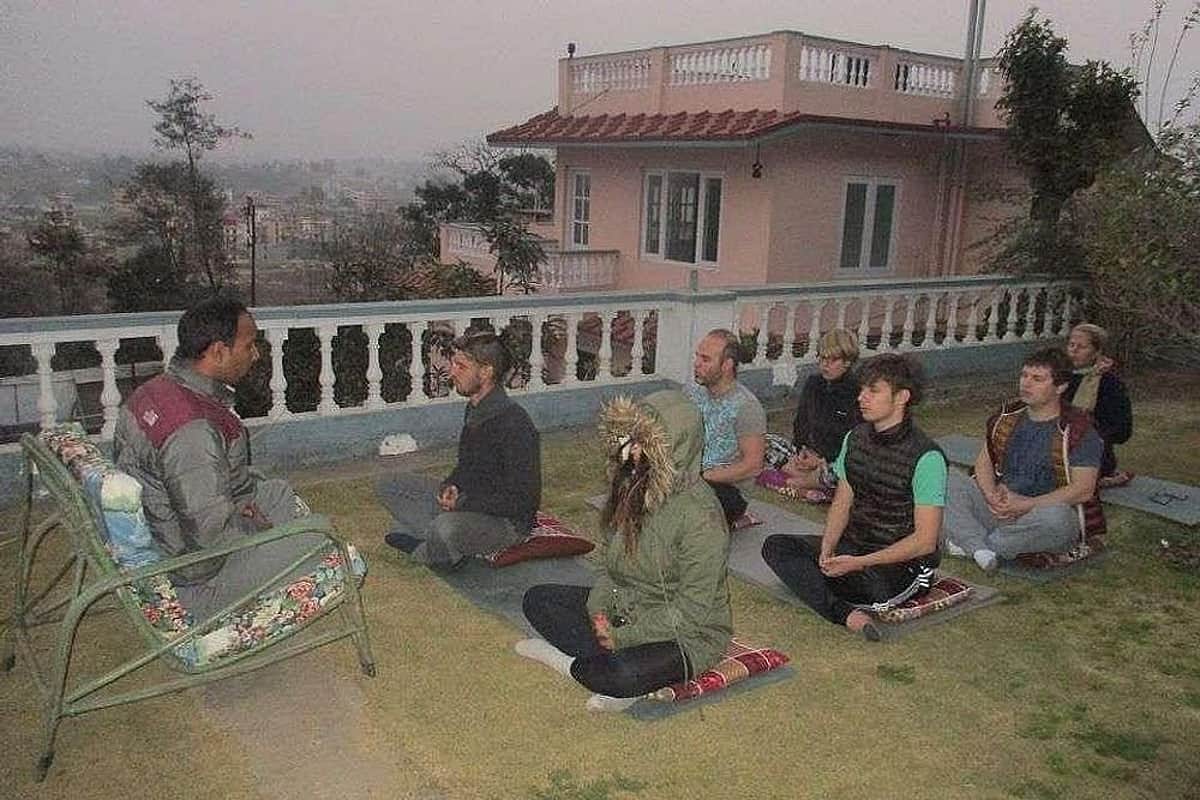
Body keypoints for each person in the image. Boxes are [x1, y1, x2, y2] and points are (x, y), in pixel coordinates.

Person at [516, 390, 733, 711]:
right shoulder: (630, 486)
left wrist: (624, 637)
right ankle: (608, 664)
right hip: (625, 607)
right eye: (629, 438)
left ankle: (569, 663)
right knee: (539, 599)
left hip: (684, 633)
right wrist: (599, 611)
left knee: (623, 675)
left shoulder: (702, 517)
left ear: (672, 449)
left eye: (641, 442)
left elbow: (690, 613)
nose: (630, 449)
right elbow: (609, 567)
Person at [114, 297, 326, 620]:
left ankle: (273, 563)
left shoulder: (157, 390)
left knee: (277, 492)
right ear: (218, 352)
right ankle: (265, 585)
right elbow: (211, 537)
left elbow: (199, 496)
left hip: (174, 535)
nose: (255, 355)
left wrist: (242, 507)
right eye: (249, 345)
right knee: (320, 537)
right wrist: (253, 528)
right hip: (195, 580)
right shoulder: (191, 429)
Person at [761, 354, 947, 641]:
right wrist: (827, 546)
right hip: (855, 547)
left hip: (899, 566)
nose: (861, 397)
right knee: (777, 547)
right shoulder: (856, 438)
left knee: (862, 585)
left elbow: (924, 541)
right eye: (862, 390)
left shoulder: (928, 457)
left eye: (873, 391)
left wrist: (858, 563)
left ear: (902, 397)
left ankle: (837, 606)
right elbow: (843, 500)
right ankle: (845, 612)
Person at [383, 332, 541, 568]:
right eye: (454, 364)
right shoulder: (475, 409)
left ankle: (434, 551)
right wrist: (451, 485)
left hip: (504, 523)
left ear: (486, 372)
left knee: (445, 528)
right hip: (467, 504)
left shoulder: (515, 424)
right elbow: (466, 466)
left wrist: (464, 503)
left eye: (461, 366)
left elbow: (523, 501)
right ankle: (438, 540)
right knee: (390, 485)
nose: (452, 372)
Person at [943, 347, 1106, 571]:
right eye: (1024, 375)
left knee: (1058, 519)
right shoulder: (1007, 417)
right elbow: (984, 462)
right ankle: (980, 547)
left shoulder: (1078, 429)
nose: (1026, 384)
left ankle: (975, 544)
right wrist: (991, 495)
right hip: (999, 507)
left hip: (1039, 516)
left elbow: (1083, 490)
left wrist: (1025, 505)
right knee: (942, 477)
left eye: (1037, 379)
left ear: (1060, 387)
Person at [683, 328, 766, 527]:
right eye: (697, 356)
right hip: (689, 477)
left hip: (726, 489)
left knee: (680, 510)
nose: (696, 363)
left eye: (705, 359)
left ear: (727, 365)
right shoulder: (691, 393)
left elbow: (753, 465)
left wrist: (703, 476)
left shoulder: (746, 407)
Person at [778, 328, 862, 495]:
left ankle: (805, 481)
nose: (825, 365)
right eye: (822, 358)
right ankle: (808, 479)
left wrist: (822, 459)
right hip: (807, 454)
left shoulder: (857, 392)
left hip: (833, 460)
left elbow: (855, 440)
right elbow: (801, 422)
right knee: (767, 443)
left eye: (833, 360)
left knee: (846, 471)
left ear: (847, 361)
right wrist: (802, 450)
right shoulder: (814, 384)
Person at [1064, 323, 1133, 488]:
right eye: (1071, 345)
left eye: (1081, 347)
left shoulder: (1110, 384)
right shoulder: (1059, 376)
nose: (1074, 350)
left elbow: (1122, 431)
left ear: (1097, 352)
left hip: (1091, 455)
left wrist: (1086, 437)